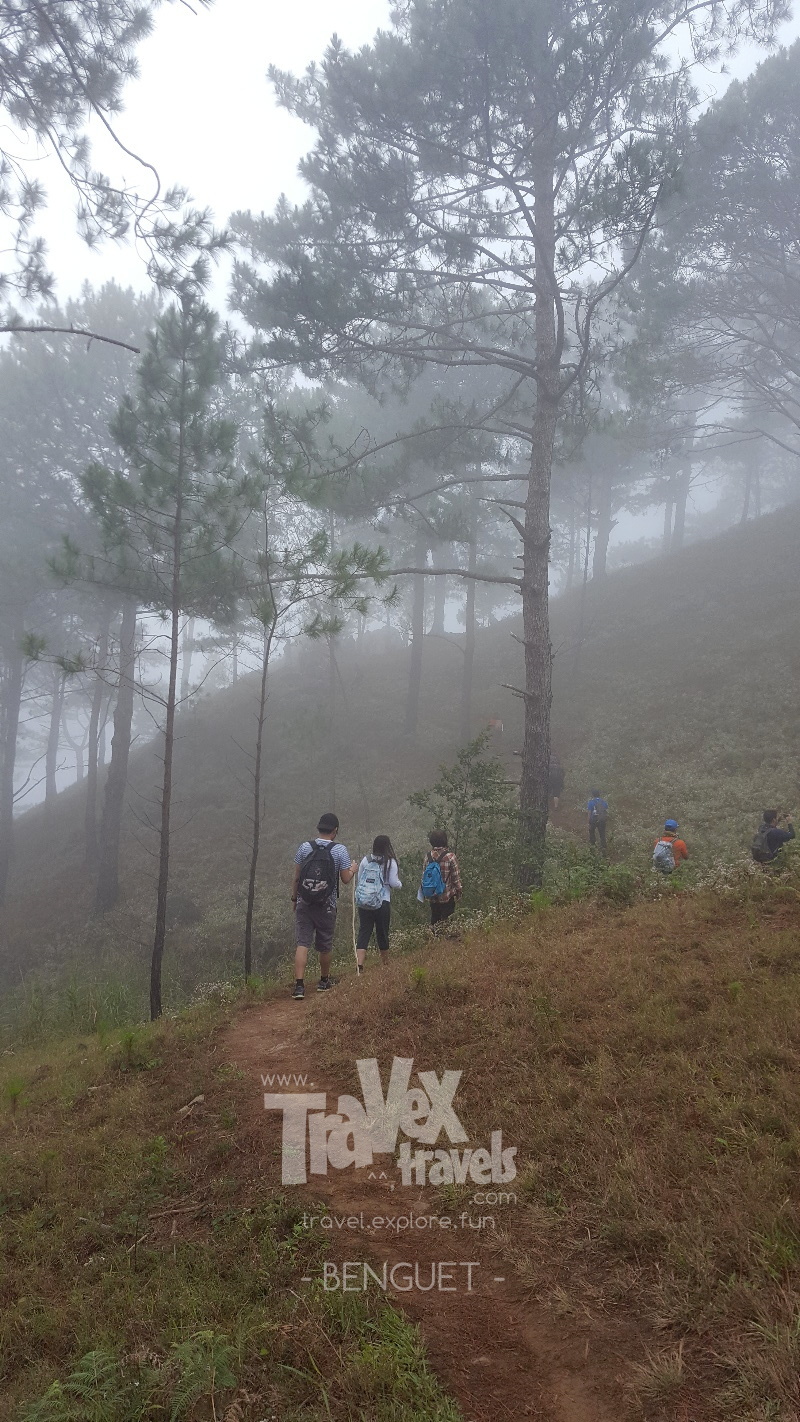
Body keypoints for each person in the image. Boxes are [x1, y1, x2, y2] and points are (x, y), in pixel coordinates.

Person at [291, 812, 357, 999]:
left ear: (319, 828)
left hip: (305, 902)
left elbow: (296, 876)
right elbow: (345, 879)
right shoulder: (340, 850)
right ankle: (323, 981)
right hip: (326, 904)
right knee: (325, 944)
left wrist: (294, 899)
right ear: (335, 831)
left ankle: (299, 987)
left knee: (302, 943)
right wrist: (353, 869)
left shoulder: (304, 847)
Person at [355, 834, 402, 972]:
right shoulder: (390, 862)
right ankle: (386, 963)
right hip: (383, 901)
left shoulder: (366, 860)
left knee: (364, 931)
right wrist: (400, 884)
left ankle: (359, 965)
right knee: (382, 932)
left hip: (364, 902)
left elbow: (360, 880)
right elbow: (394, 883)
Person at [418, 829, 462, 929]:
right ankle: (446, 942)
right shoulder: (450, 857)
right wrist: (459, 892)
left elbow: (424, 876)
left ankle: (435, 941)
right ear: (445, 840)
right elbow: (456, 879)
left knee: (435, 920)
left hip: (433, 896)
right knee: (448, 922)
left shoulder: (427, 856)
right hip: (447, 896)